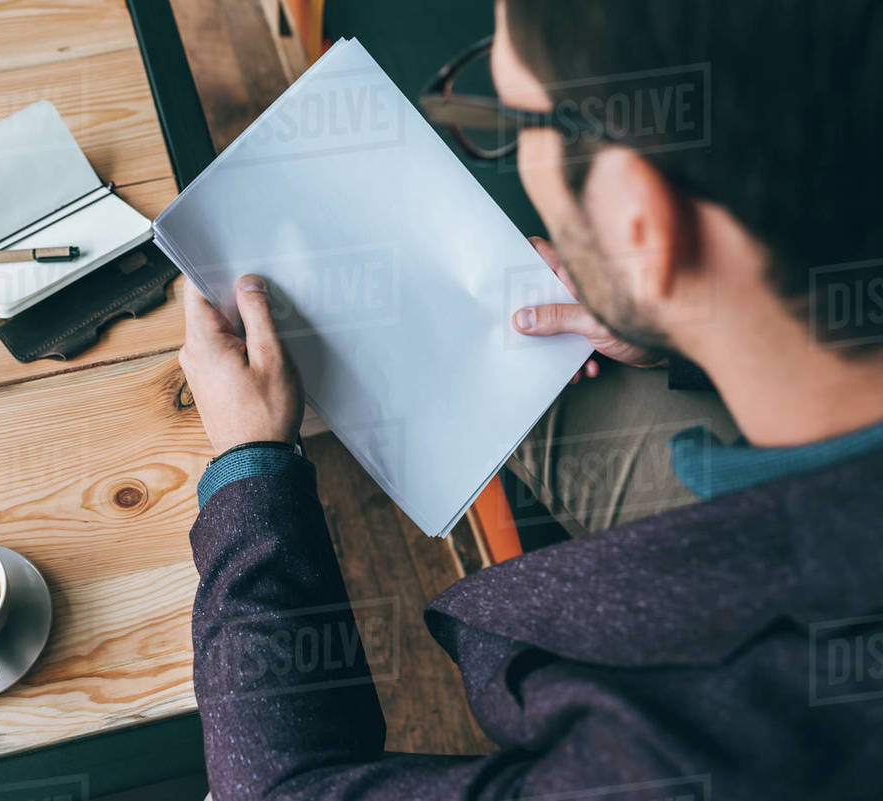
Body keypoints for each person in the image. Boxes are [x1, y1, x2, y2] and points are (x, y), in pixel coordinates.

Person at [176, 1, 883, 798]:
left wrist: (251, 468)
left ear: (643, 224)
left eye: (515, 119)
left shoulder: (688, 747)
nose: (503, 134)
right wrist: (682, 311)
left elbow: (275, 789)